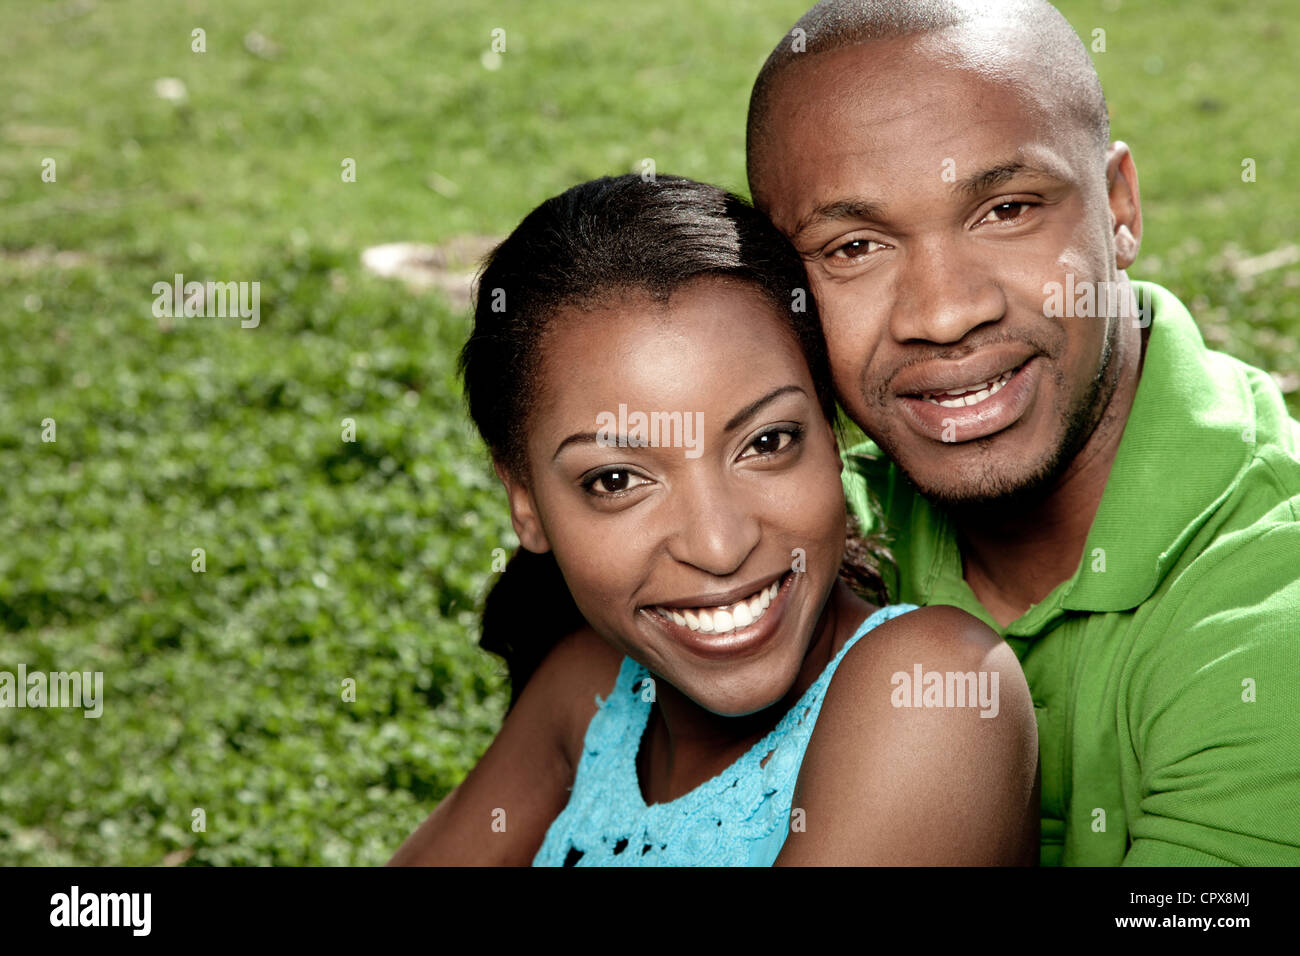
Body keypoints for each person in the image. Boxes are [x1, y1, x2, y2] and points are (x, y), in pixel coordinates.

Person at [742, 0, 1300, 864]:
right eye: (854, 247)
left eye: (1005, 210)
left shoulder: (1276, 609)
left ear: (1119, 208)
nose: (943, 313)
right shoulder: (805, 527)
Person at [389, 174, 1039, 866]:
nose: (720, 545)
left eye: (766, 443)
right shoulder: (593, 692)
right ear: (525, 502)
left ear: (831, 431)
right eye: (616, 480)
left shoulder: (936, 694)